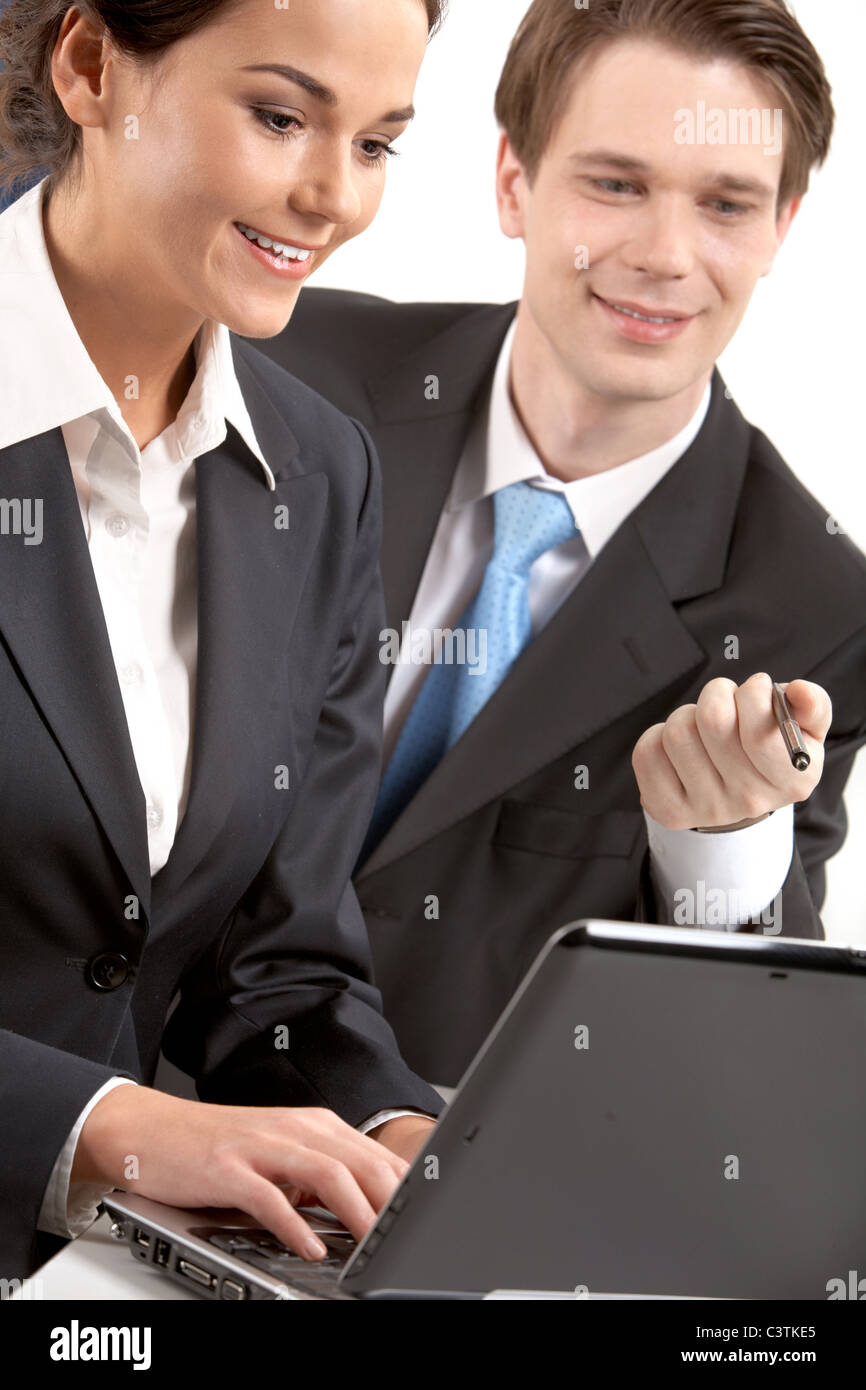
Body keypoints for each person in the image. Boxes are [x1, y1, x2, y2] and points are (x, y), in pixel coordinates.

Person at [255, 0, 866, 1087]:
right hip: (100, 1111)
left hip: (409, 1197)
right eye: (614, 184)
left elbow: (743, 1071)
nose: (663, 255)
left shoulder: (808, 600)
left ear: (780, 227)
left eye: (724, 203)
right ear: (511, 184)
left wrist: (715, 850)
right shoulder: (289, 367)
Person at [0, 0, 448, 1284]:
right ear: (91, 67)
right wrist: (108, 1126)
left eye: (376, 144)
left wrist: (400, 1133)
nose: (332, 198)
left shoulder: (319, 469)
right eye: (279, 116)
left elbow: (280, 960)